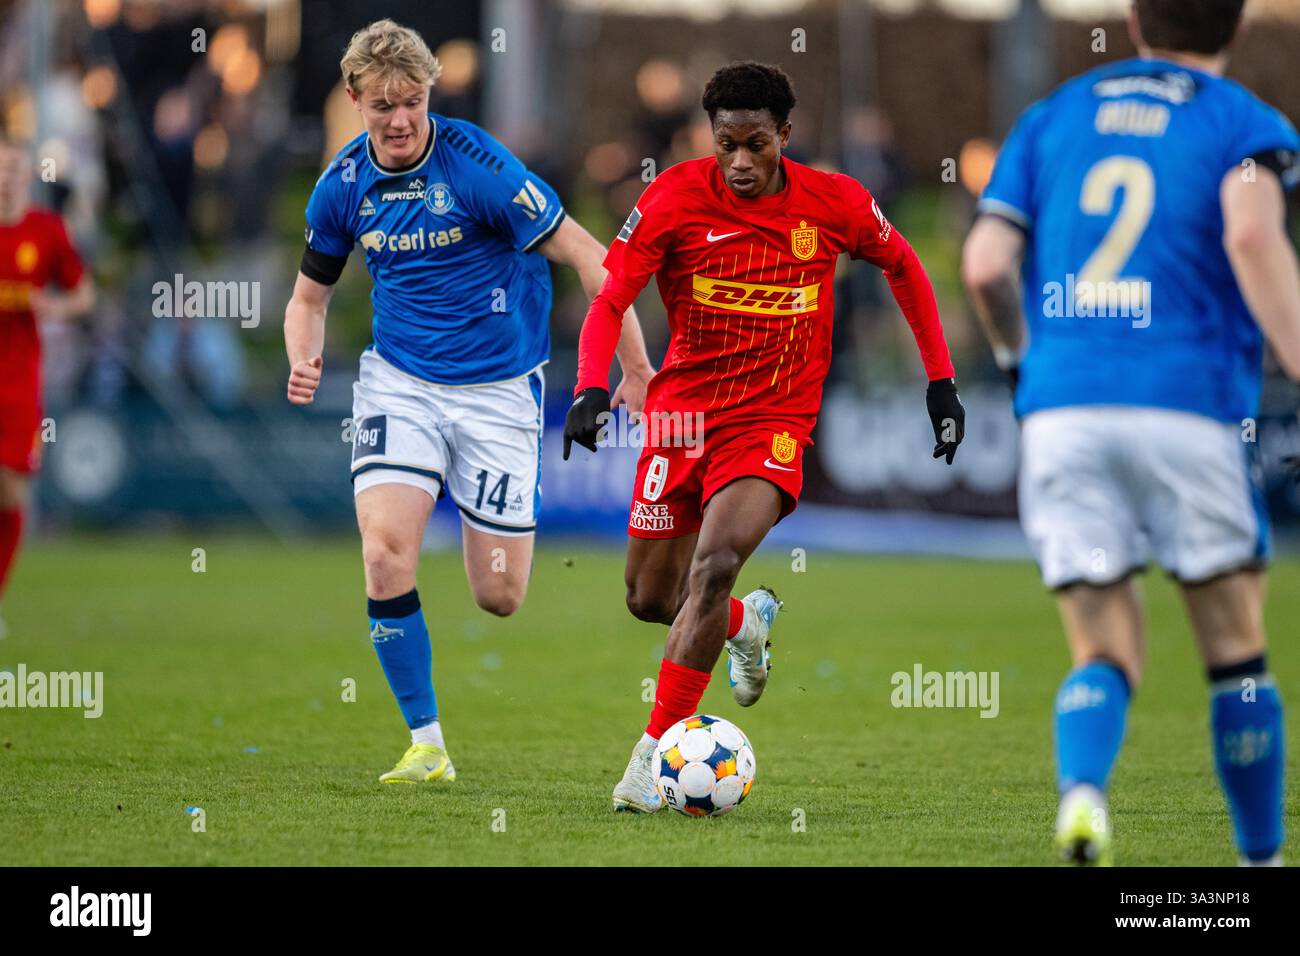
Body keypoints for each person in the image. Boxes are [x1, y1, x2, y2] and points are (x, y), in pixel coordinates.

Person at [565, 62, 964, 813]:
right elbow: (612, 293)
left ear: (786, 134)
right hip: (680, 420)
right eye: (726, 145)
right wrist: (591, 383)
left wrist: (939, 381)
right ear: (707, 138)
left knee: (714, 565)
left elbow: (905, 265)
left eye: (756, 143)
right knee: (652, 600)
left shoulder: (835, 203)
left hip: (772, 423)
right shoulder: (672, 197)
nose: (741, 162)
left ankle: (649, 762)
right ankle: (748, 623)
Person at [963, 0, 1300, 865]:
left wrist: (1018, 364)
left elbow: (986, 265)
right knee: (1235, 653)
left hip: (1065, 407)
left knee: (1102, 647)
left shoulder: (1052, 115)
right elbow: (1252, 233)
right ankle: (1260, 863)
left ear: (1134, 20)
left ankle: (1082, 798)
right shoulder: (1243, 122)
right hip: (1187, 403)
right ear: (1237, 25)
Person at [284, 20, 654, 785]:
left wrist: (638, 368)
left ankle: (473, 510)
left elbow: (592, 256)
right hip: (401, 384)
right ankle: (427, 745)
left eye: (412, 102)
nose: (398, 119)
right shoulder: (342, 186)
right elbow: (307, 299)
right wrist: (304, 351)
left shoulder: (480, 167)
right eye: (382, 104)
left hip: (497, 393)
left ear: (430, 96)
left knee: (500, 595)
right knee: (384, 553)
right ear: (354, 99)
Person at [0, 136, 94, 637]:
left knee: (11, 495)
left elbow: (83, 293)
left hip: (17, 382)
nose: (8, 176)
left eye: (14, 167)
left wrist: (53, 308)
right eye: (2, 168)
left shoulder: (46, 230)